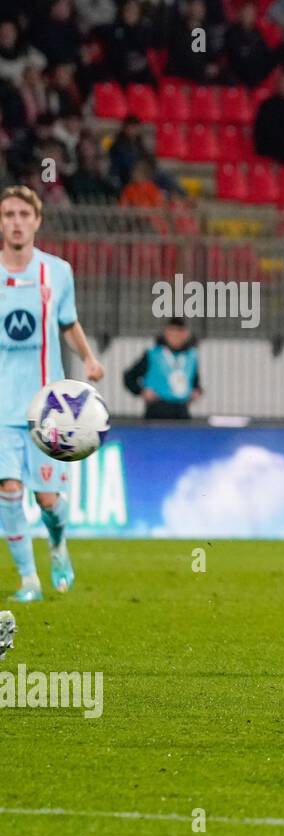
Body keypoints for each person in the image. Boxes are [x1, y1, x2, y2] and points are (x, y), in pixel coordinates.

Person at [0, 185, 105, 601]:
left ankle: (58, 545)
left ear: (37, 221)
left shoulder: (57, 272)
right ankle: (29, 581)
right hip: (0, 405)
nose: (17, 222)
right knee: (8, 490)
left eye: (24, 214)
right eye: (8, 214)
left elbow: (68, 322)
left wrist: (90, 359)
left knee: (47, 500)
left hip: (46, 408)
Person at [123, 318, 202, 419]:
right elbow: (129, 377)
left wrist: (197, 391)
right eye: (172, 332)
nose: (176, 336)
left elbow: (195, 382)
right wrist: (141, 391)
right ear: (166, 332)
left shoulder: (191, 356)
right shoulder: (153, 354)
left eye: (179, 332)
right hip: (157, 409)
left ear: (186, 334)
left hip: (182, 410)